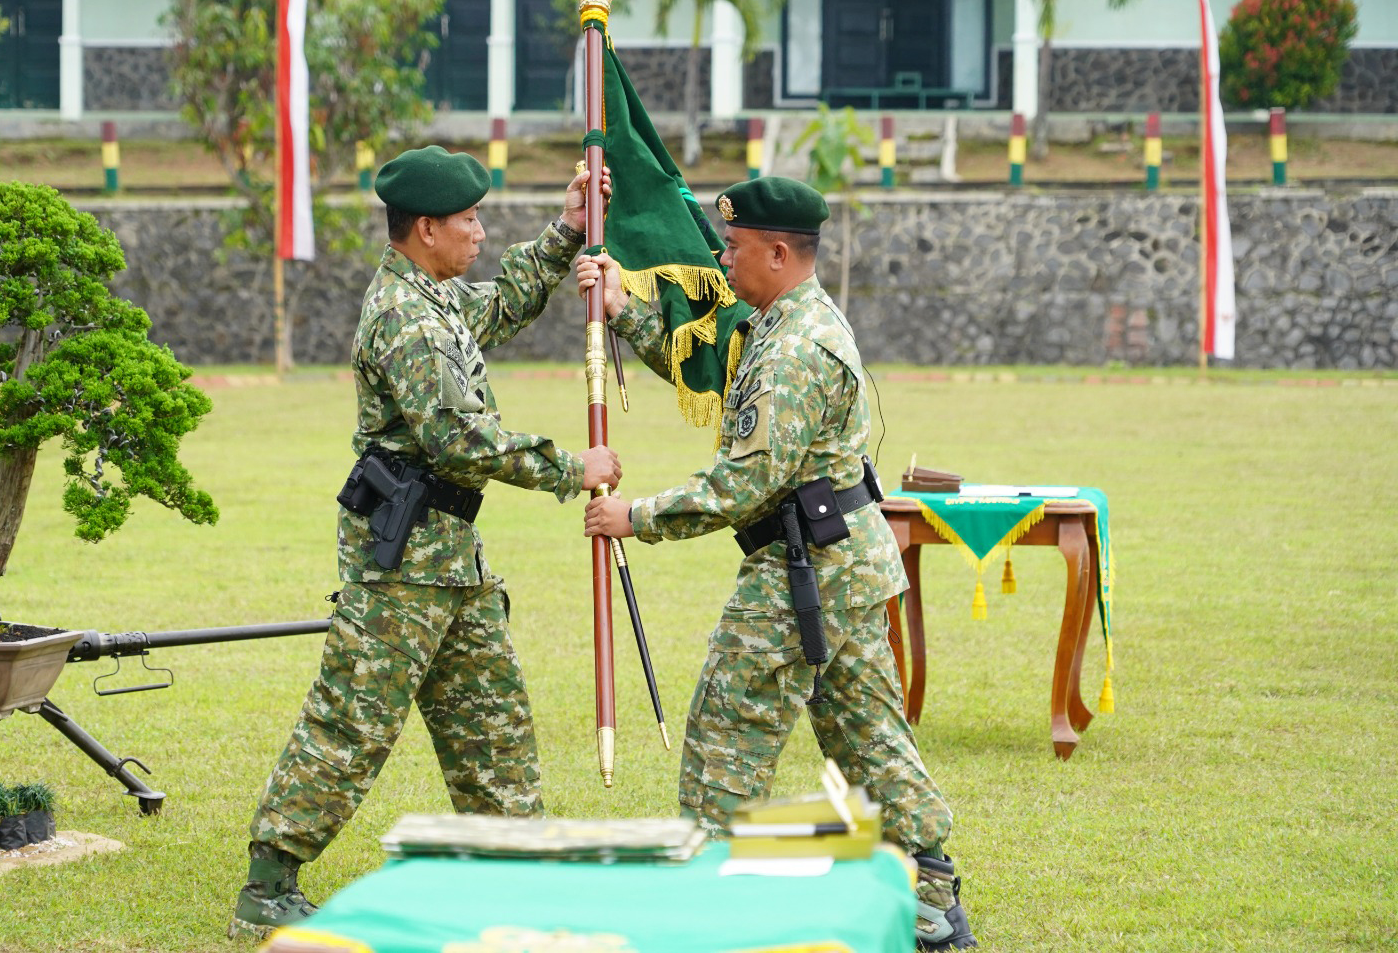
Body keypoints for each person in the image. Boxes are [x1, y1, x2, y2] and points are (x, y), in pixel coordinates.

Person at [231, 146, 620, 940]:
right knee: (352, 722)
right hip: (404, 564)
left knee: (492, 720)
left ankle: (516, 874)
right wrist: (571, 468)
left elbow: (501, 305)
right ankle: (269, 882)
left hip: (456, 561)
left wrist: (568, 230)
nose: (481, 232)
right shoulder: (406, 315)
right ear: (427, 228)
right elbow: (458, 441)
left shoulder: (435, 297)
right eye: (470, 220)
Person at [577, 176, 976, 950]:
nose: (722, 261)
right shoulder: (787, 322)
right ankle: (931, 897)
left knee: (725, 730)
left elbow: (745, 481)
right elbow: (724, 381)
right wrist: (626, 311)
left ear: (779, 252)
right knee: (867, 735)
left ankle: (706, 903)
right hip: (843, 563)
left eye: (732, 247)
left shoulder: (794, 345)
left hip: (802, 572)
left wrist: (636, 517)